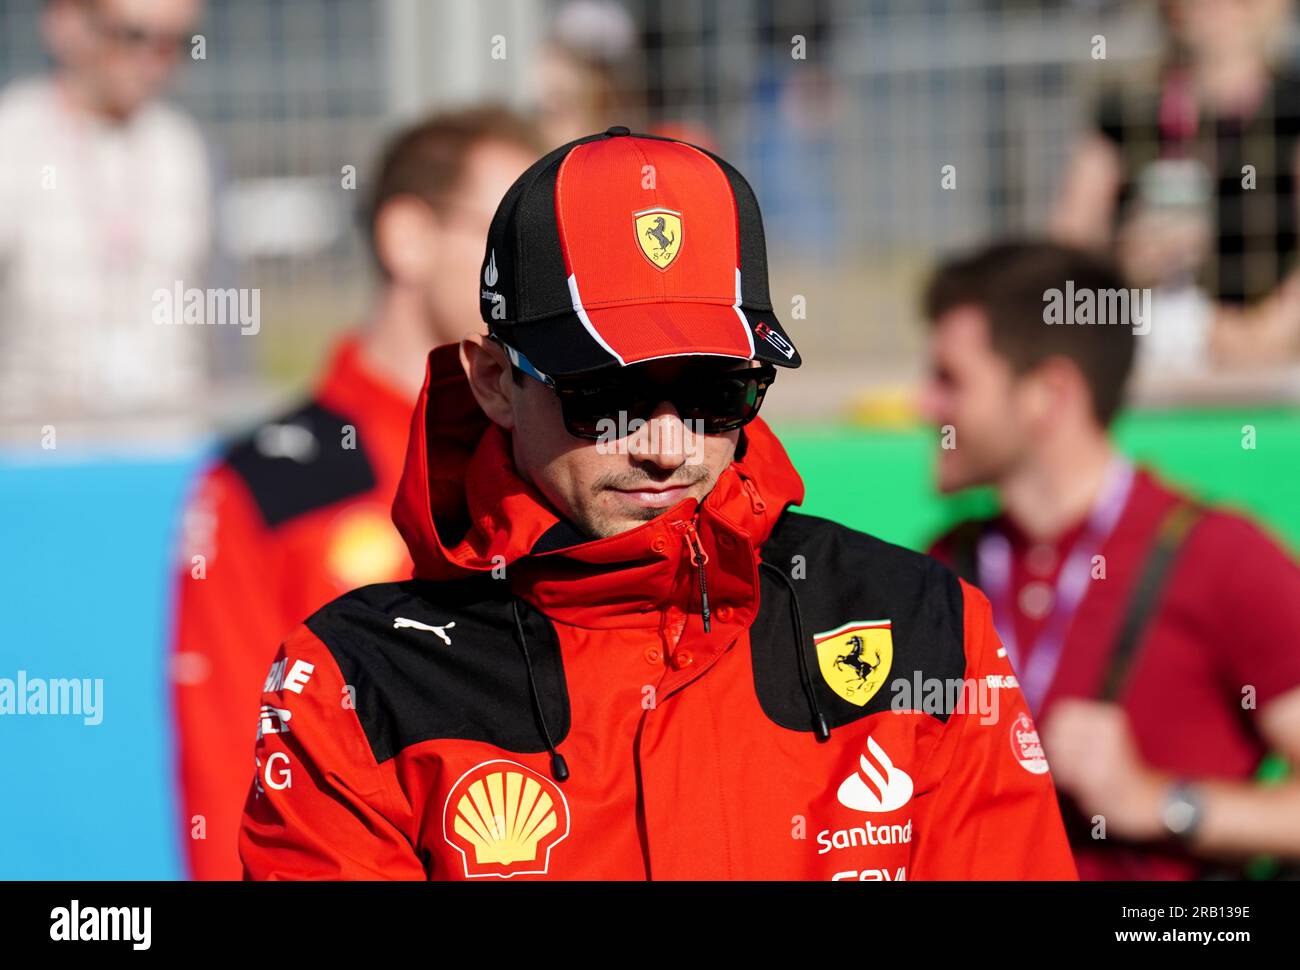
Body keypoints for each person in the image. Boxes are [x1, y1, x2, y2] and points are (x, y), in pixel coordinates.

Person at [238, 127, 1076, 881]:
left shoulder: (923, 623)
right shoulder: (354, 683)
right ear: (494, 381)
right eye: (609, 392)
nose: (667, 445)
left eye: (718, 390)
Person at [171, 106, 543, 881]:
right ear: (406, 237)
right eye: (506, 239)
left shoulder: (559, 460)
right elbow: (230, 783)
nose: (535, 273)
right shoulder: (267, 487)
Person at [922, 239, 1300, 880]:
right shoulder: (943, 565)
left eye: (949, 380)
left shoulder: (1219, 556)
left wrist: (1160, 802)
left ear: (1049, 394)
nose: (923, 406)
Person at [1052, 0, 1300, 367]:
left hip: (1268, 367)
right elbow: (1064, 258)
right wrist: (1122, 271)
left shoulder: (1291, 108)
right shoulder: (1124, 111)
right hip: (1148, 354)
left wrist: (1264, 334)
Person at [0, 0, 211, 428]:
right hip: (32, 449)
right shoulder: (13, 139)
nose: (153, 61)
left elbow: (218, 325)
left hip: (166, 442)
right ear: (67, 24)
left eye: (174, 43)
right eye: (132, 36)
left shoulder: (182, 146)